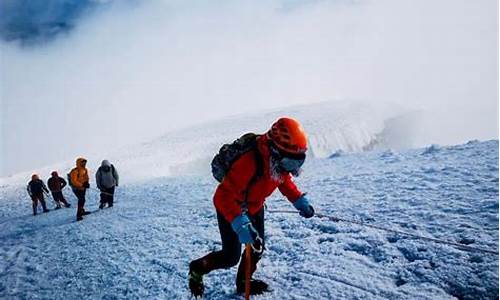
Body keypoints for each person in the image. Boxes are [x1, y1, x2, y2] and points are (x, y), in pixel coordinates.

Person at [188, 117, 315, 297]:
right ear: (276, 151)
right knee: (230, 257)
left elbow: (283, 180)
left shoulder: (278, 164)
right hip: (231, 210)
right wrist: (240, 224)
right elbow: (222, 196)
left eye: (298, 162)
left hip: (255, 208)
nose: (292, 169)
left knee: (256, 248)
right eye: (290, 162)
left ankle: (243, 282)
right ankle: (198, 268)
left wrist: (299, 201)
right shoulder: (249, 162)